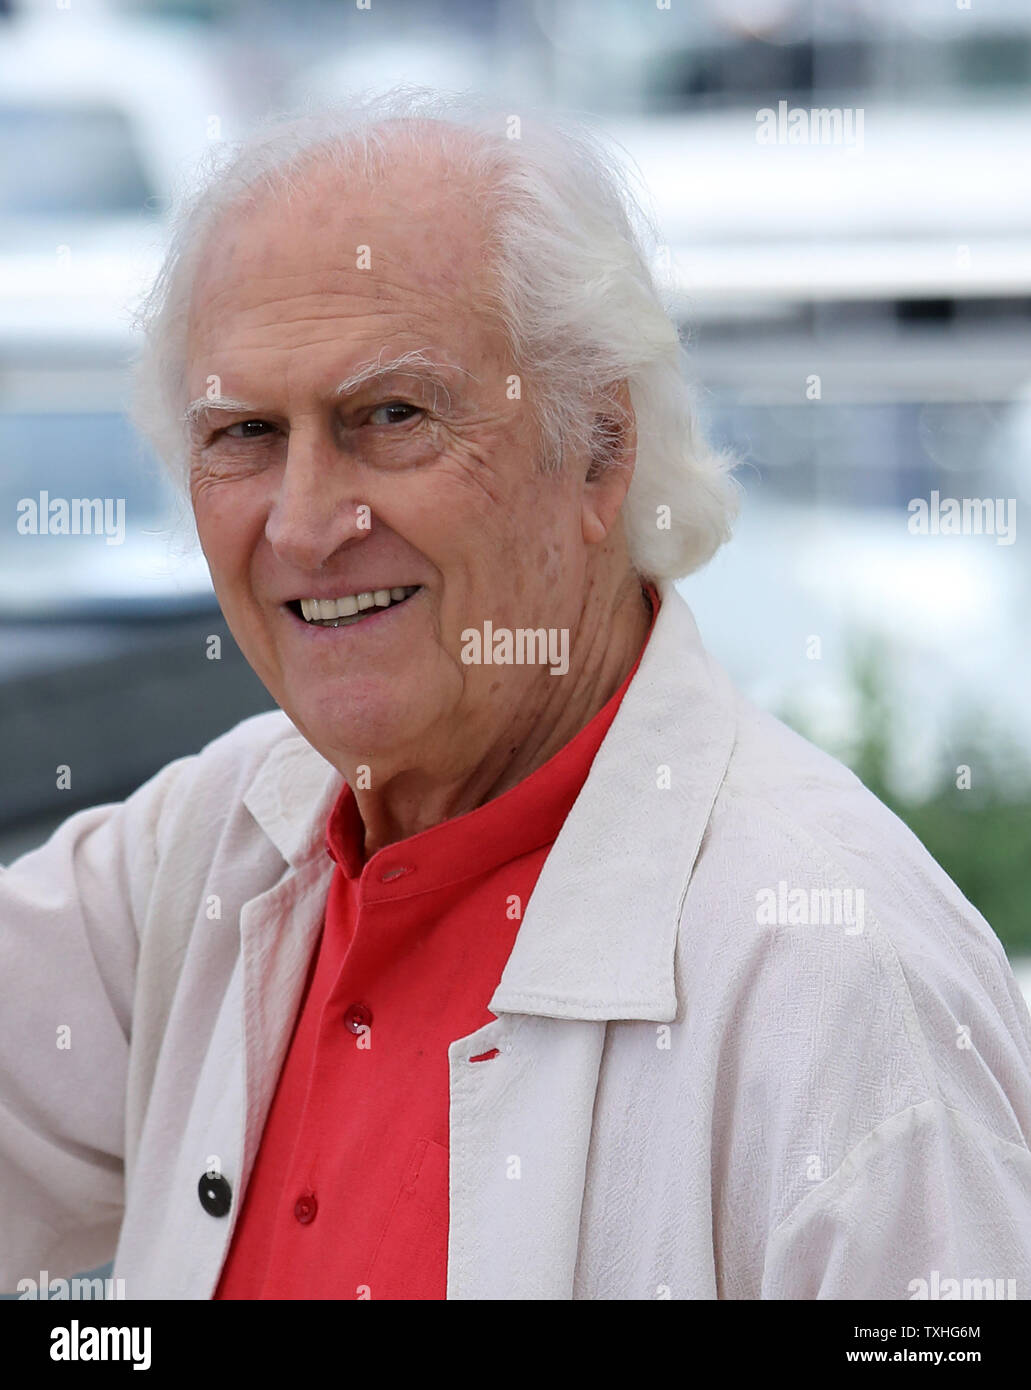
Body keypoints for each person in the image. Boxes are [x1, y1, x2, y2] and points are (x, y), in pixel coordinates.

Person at [2, 91, 1030, 1301]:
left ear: (598, 448)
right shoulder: (220, 845)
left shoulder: (836, 983)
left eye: (389, 416)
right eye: (241, 432)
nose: (301, 522)